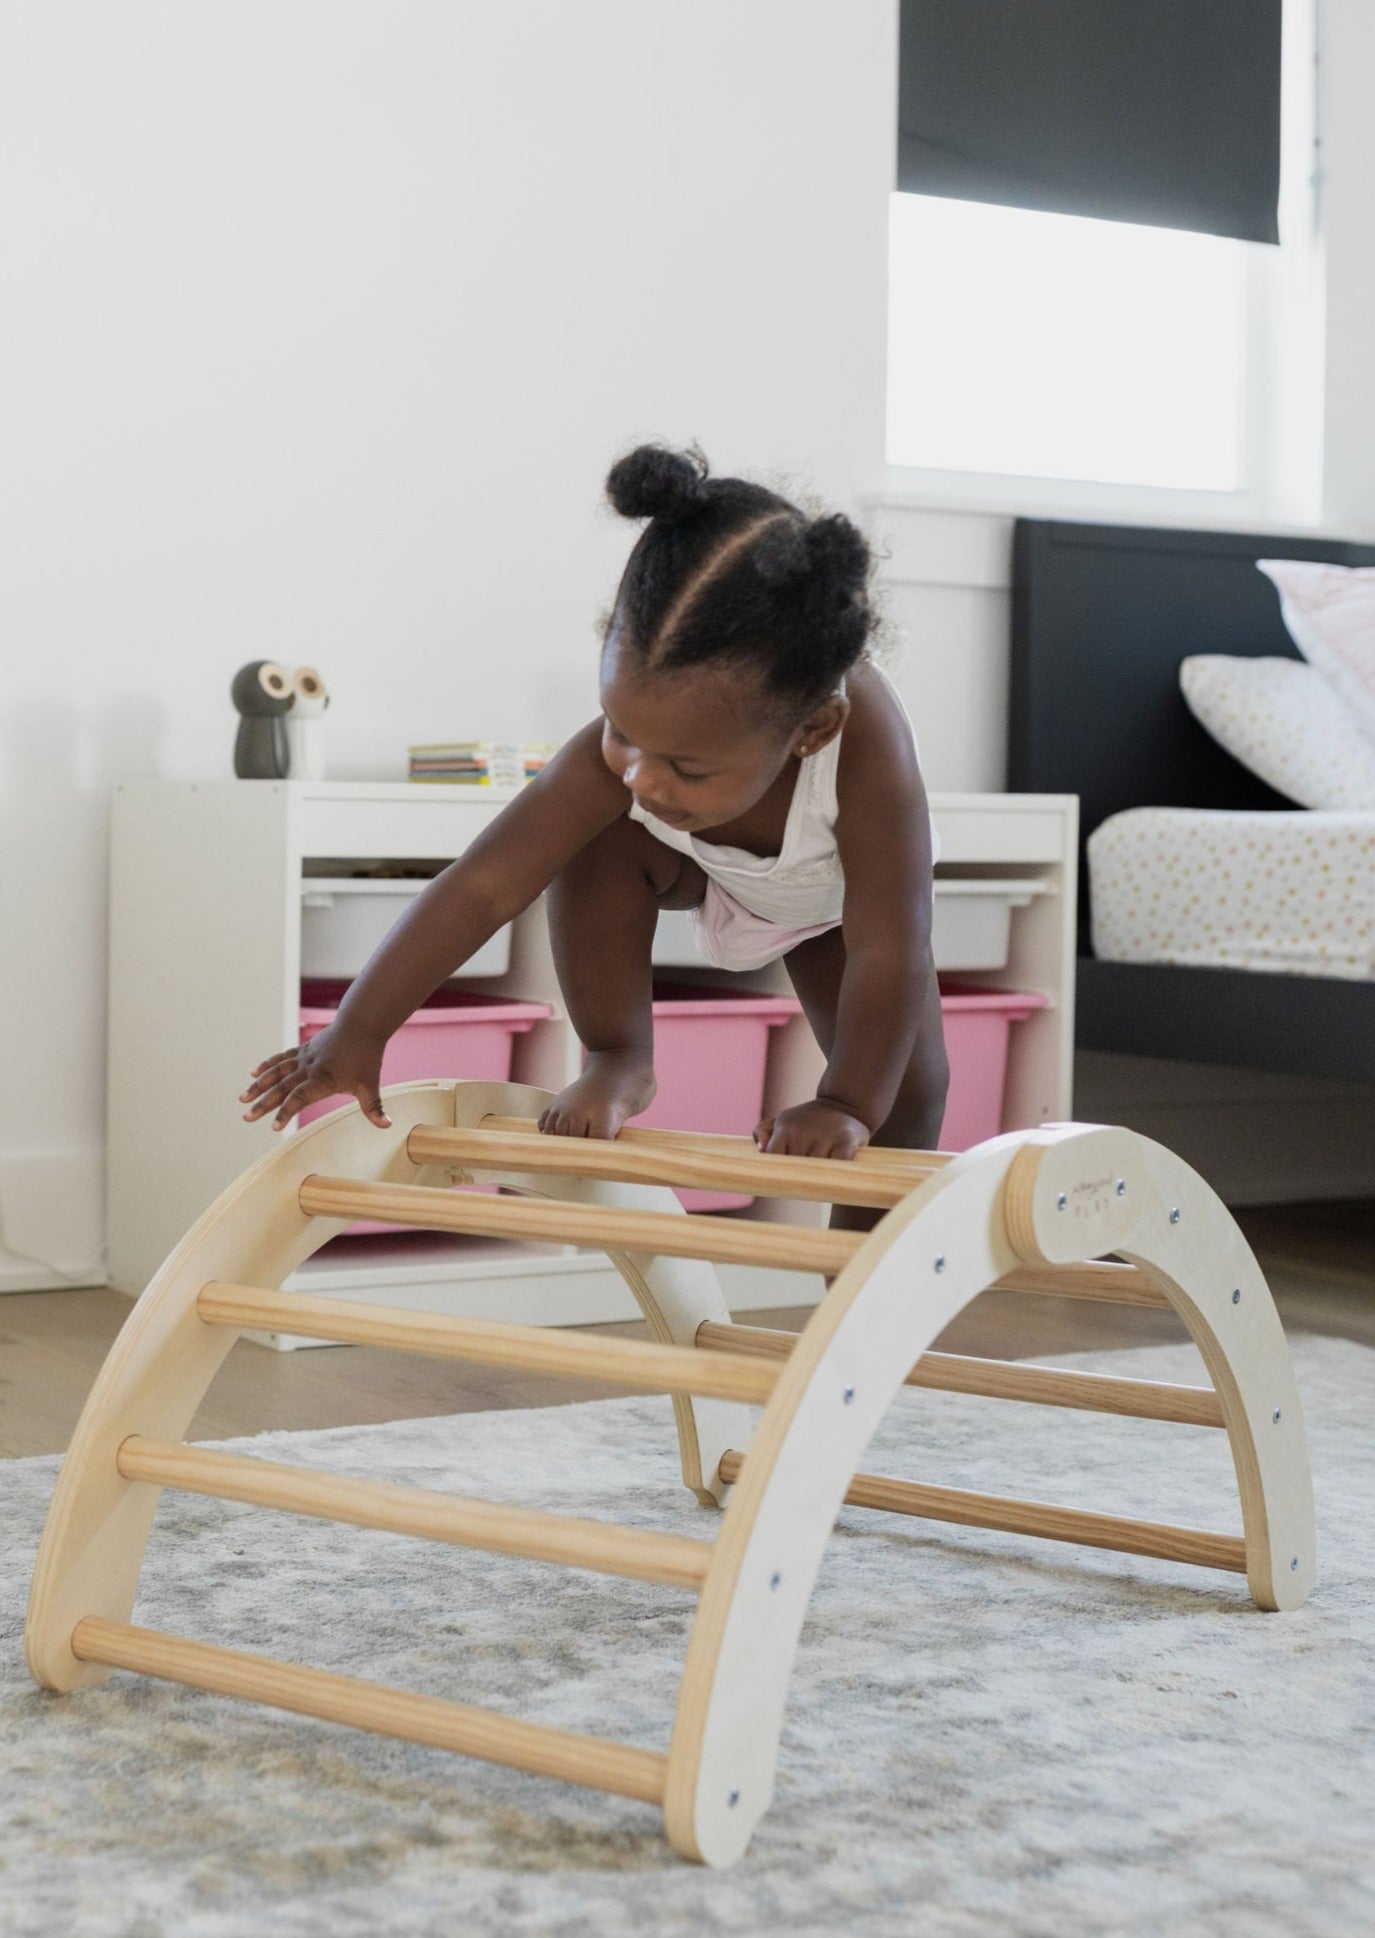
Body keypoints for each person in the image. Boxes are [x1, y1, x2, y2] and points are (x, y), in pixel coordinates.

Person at [240, 444, 948, 1228]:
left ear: (812, 729)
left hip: (840, 910)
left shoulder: (867, 751)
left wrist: (844, 1103)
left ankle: (854, 1290)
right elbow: (484, 884)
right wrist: (357, 1030)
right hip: (702, 868)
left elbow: (890, 947)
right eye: (621, 731)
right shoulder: (628, 762)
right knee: (589, 831)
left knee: (903, 1102)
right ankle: (618, 1053)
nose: (641, 775)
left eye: (683, 765)